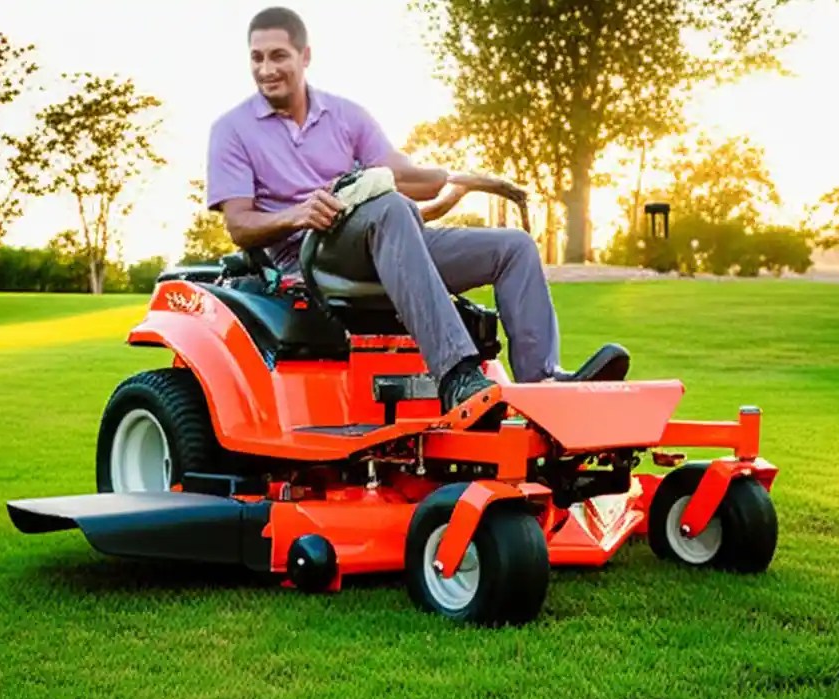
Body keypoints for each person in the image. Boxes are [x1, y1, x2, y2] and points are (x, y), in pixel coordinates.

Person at [206, 7, 628, 421]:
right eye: (256, 57)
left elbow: (409, 178)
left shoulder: (345, 116)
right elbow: (239, 225)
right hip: (314, 255)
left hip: (386, 235)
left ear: (305, 56)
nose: (266, 69)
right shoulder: (233, 129)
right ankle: (457, 376)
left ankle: (542, 383)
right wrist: (297, 214)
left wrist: (456, 178)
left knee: (512, 247)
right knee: (390, 206)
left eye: (278, 55)